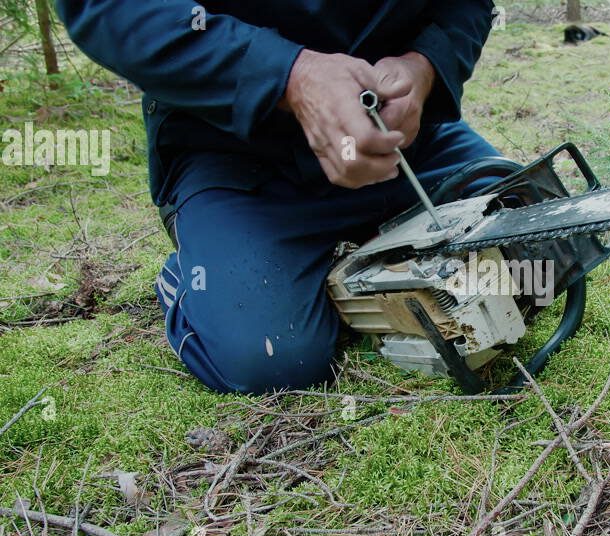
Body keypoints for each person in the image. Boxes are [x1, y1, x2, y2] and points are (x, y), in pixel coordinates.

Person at [56, 1, 500, 393]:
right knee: (269, 358)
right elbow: (105, 7)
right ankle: (198, 274)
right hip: (234, 155)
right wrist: (287, 75)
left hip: (401, 139)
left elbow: (466, 6)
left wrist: (424, 66)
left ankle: (362, 249)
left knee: (539, 240)